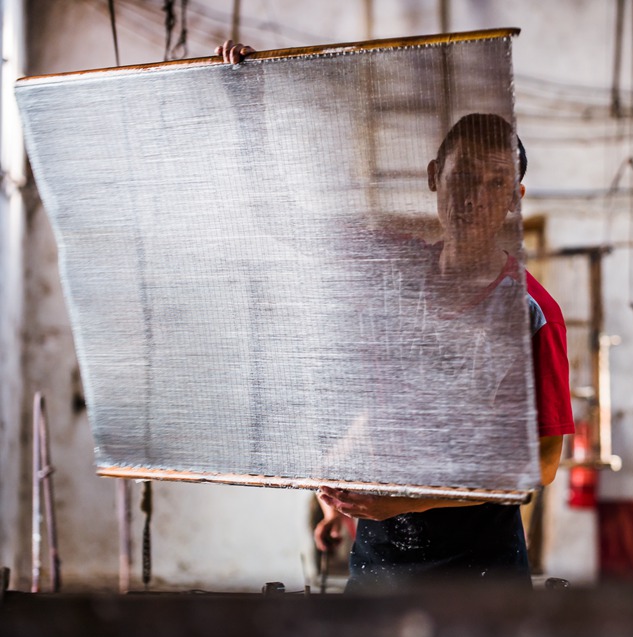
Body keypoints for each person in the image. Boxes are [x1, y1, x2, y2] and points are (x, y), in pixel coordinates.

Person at [217, 42, 575, 590]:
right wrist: (246, 105)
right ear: (435, 176)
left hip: (480, 571)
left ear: (515, 199)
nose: (475, 197)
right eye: (463, 175)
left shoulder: (532, 310)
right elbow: (275, 216)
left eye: (496, 183)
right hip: (380, 560)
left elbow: (542, 465)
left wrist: (402, 500)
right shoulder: (395, 271)